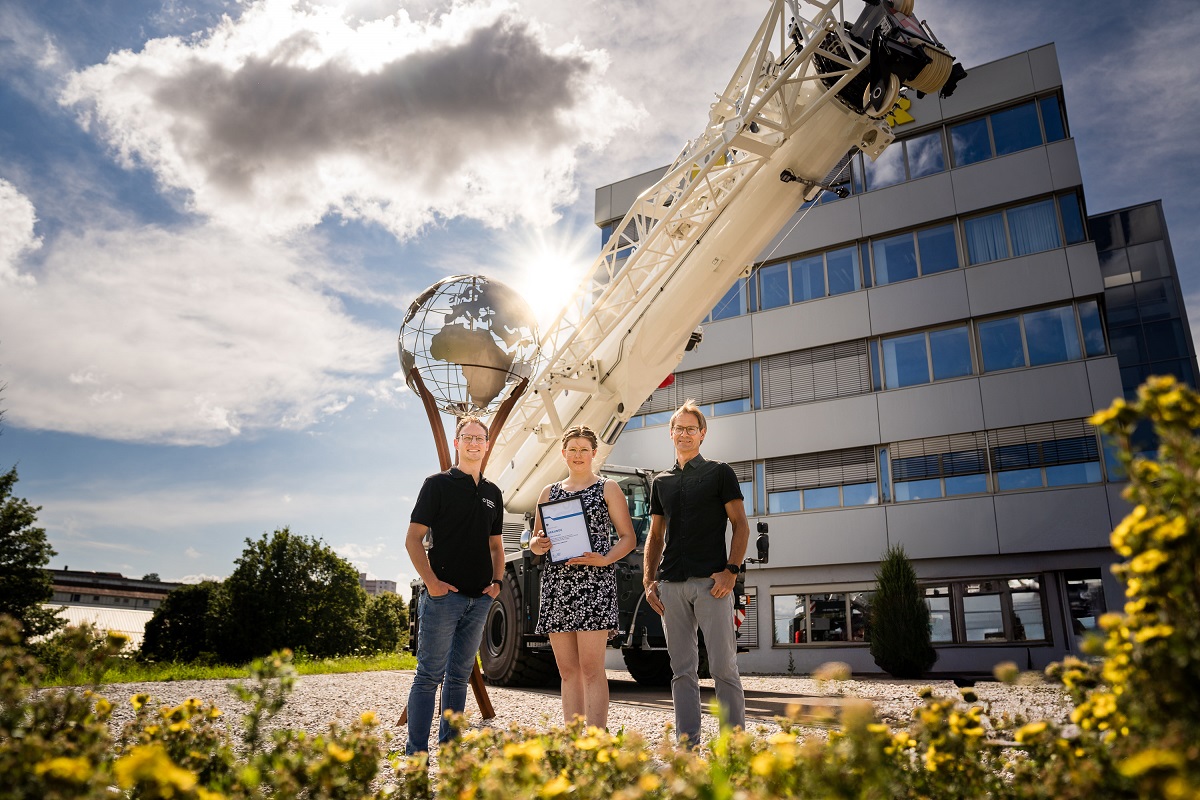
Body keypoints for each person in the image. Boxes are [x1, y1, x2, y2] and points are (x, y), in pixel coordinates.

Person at [643, 399, 749, 746]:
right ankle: (687, 745)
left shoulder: (720, 473)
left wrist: (731, 571)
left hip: (712, 585)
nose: (685, 434)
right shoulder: (661, 482)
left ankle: (733, 746)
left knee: (723, 668)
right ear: (671, 434)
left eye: (691, 429)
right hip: (671, 586)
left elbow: (740, 524)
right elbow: (655, 535)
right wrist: (649, 580)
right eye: (679, 428)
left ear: (702, 434)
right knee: (682, 671)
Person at [404, 415, 505, 756]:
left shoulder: (493, 493)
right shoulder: (437, 485)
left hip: (479, 600)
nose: (474, 443)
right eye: (468, 437)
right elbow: (413, 540)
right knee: (428, 677)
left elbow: (496, 546)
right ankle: (416, 756)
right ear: (457, 443)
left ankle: (449, 753)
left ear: (487, 445)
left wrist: (497, 583)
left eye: (480, 438)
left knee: (458, 678)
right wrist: (432, 583)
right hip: (443, 599)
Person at [529, 425, 637, 729]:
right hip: (558, 586)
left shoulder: (607, 488)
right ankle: (574, 739)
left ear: (594, 453)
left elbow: (628, 538)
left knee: (591, 669)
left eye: (584, 450)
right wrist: (539, 544)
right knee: (567, 671)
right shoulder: (548, 492)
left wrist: (605, 559)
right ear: (563, 453)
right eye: (573, 450)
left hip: (594, 585)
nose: (578, 455)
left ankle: (596, 740)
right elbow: (535, 541)